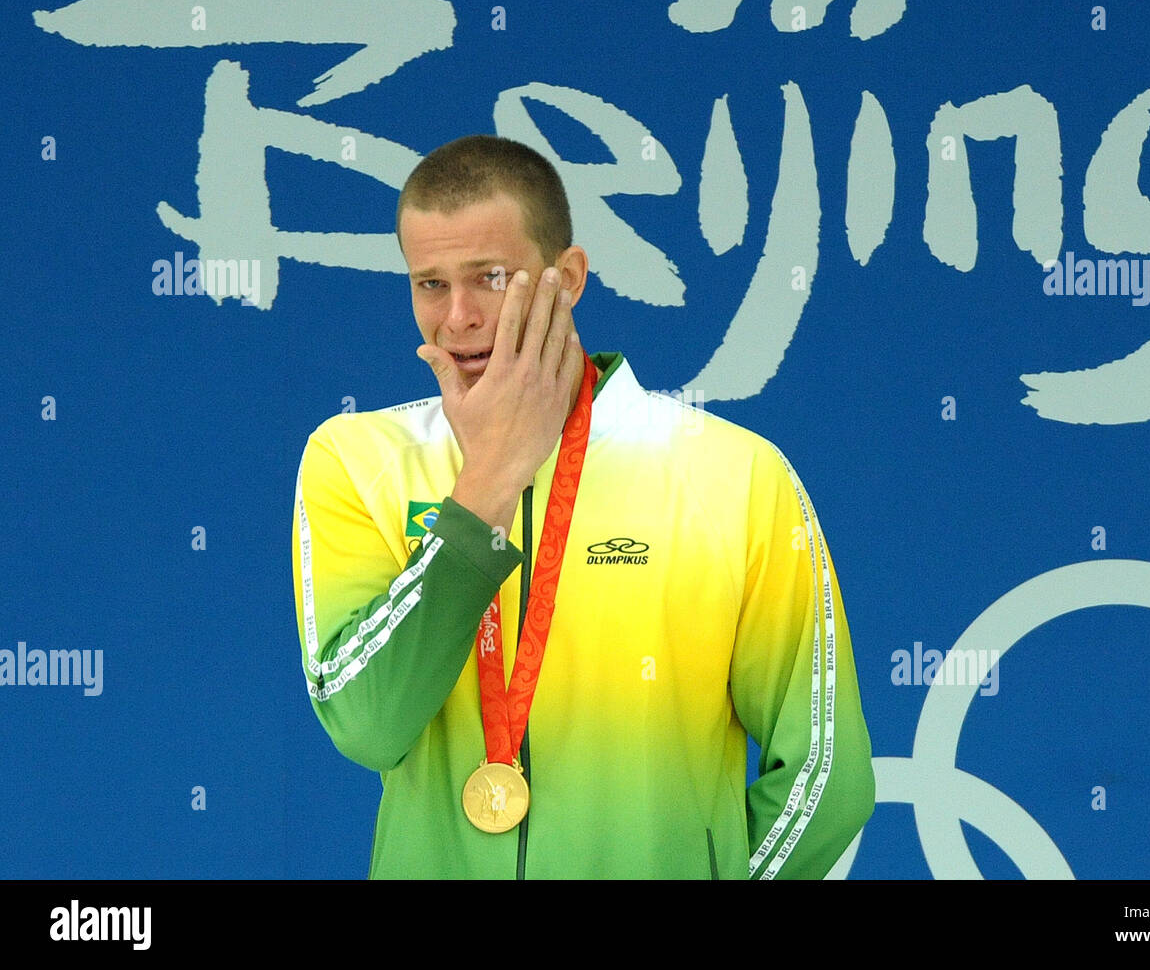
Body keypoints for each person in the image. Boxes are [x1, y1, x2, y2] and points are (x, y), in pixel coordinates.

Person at [292, 134, 874, 879]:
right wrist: (488, 483)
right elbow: (369, 723)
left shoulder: (733, 471)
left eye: (491, 277)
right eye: (429, 283)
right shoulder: (355, 457)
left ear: (566, 278)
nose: (458, 316)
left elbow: (827, 780)